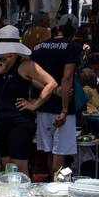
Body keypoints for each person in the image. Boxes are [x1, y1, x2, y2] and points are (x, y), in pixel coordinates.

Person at [0, 25, 58, 176]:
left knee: (18, 167)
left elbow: (51, 83)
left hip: (20, 120)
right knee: (5, 168)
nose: (5, 54)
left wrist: (35, 104)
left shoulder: (26, 65)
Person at [31, 16, 83, 175]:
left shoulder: (38, 47)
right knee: (59, 150)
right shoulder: (73, 47)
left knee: (48, 149)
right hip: (62, 106)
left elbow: (33, 78)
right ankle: (57, 186)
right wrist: (64, 109)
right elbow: (66, 78)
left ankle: (51, 185)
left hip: (43, 104)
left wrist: (52, 90)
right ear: (73, 31)